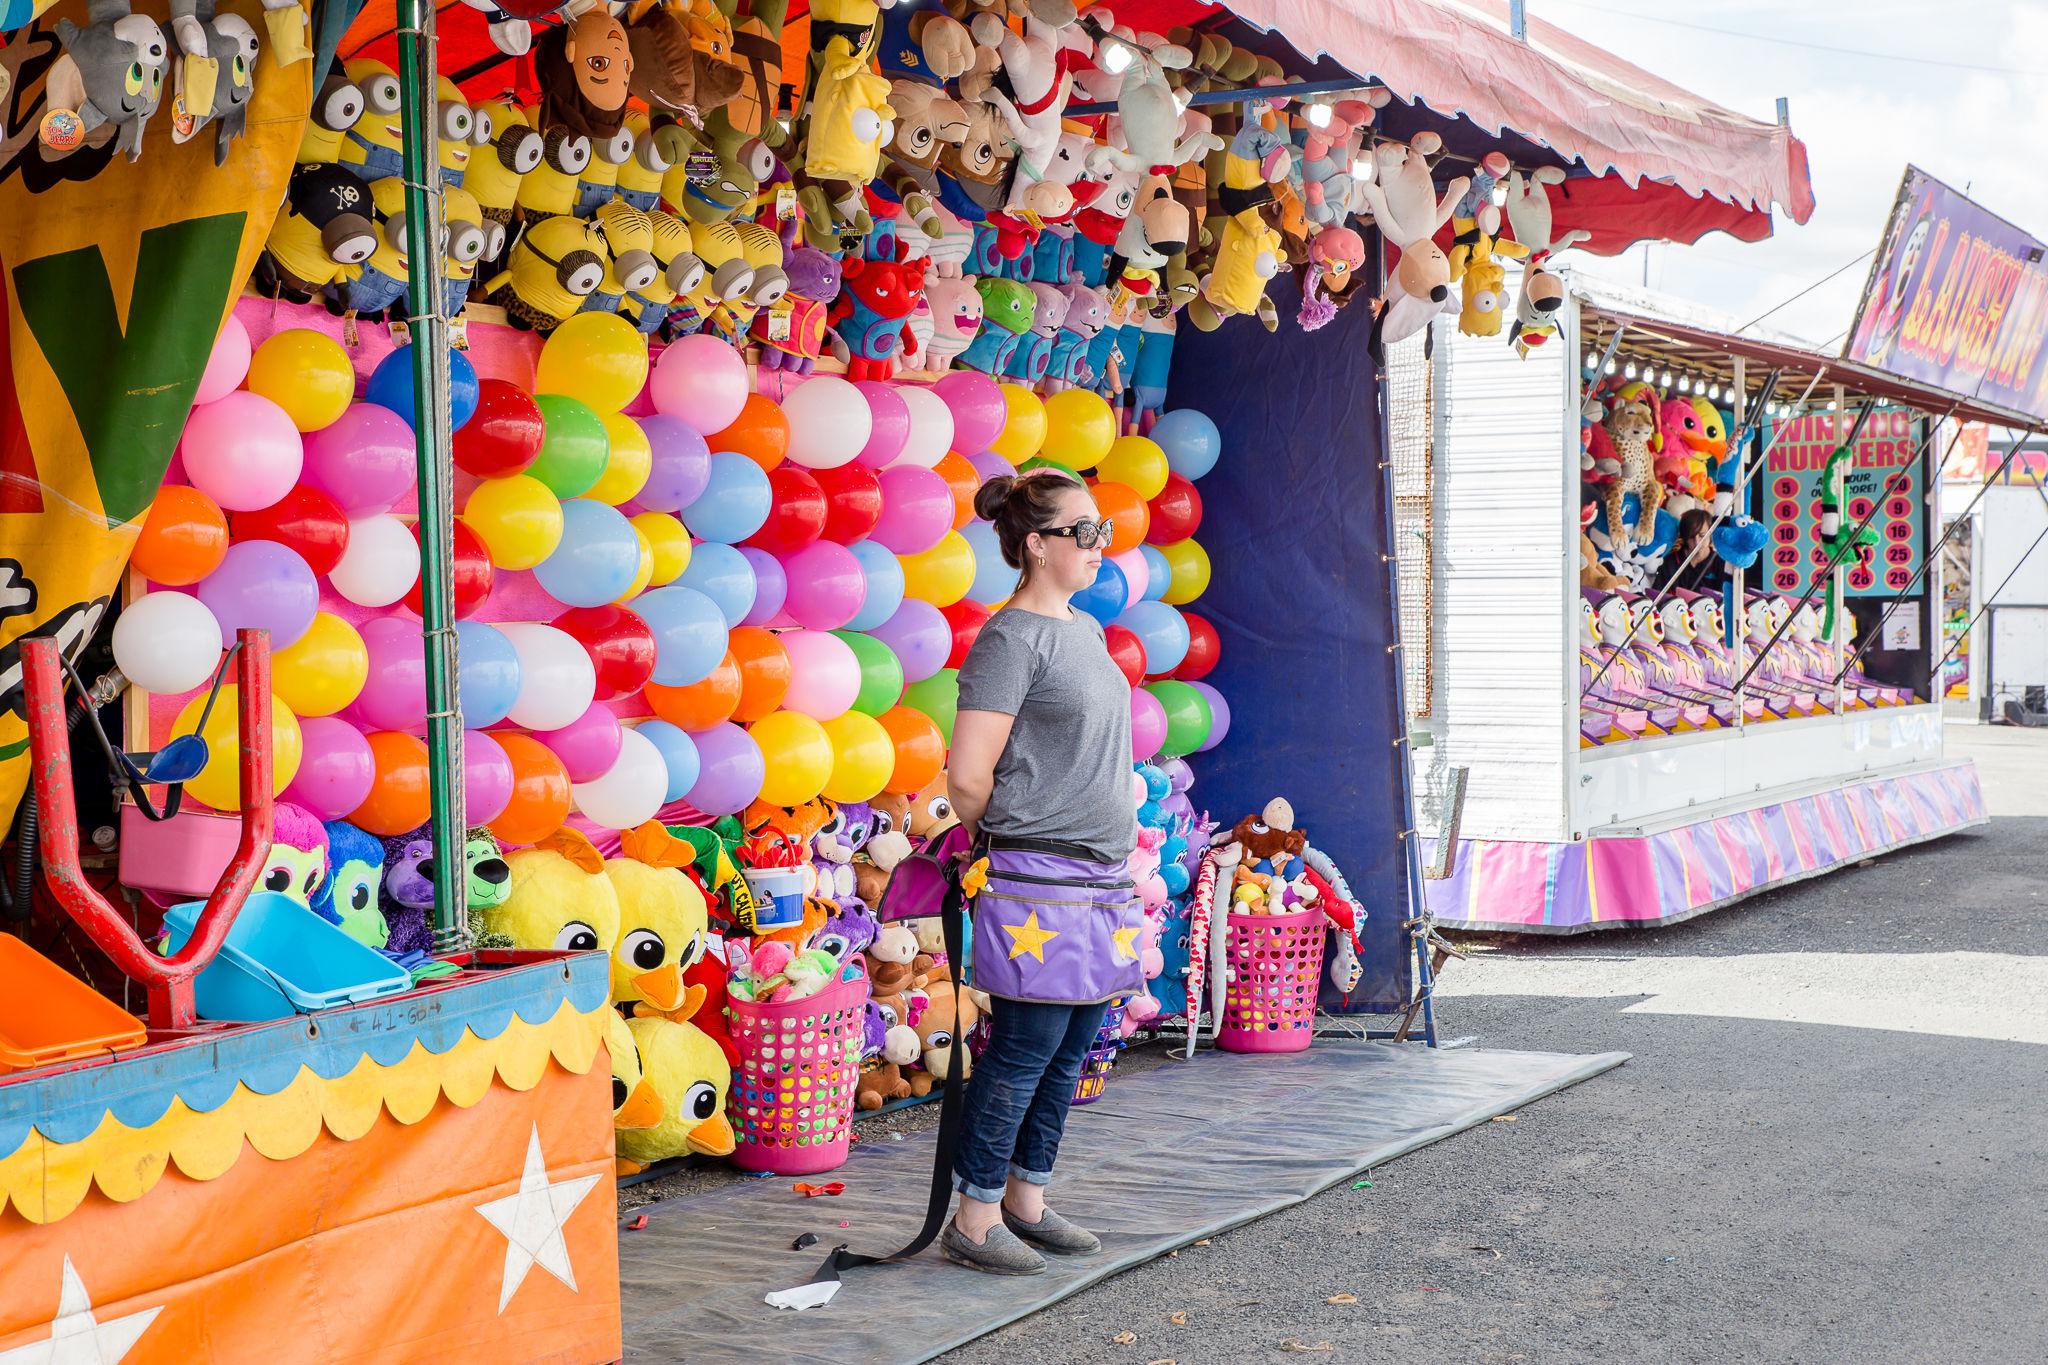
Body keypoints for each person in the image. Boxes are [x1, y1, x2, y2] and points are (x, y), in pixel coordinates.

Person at [939, 468, 1142, 1276]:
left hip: (1098, 877)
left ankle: (1025, 1198)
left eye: (1102, 530)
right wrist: (1008, 839)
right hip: (1039, 877)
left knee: (1073, 1046)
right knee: (1026, 1044)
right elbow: (967, 775)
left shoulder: (1083, 630)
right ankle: (975, 1215)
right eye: (1083, 531)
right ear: (1035, 544)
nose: (1100, 545)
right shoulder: (1010, 640)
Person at [1655, 507, 1726, 596]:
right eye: (1691, 537)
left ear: (1711, 534)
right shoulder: (1670, 562)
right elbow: (1659, 596)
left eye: (1702, 535)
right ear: (1684, 536)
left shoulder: (1721, 563)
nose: (1697, 542)